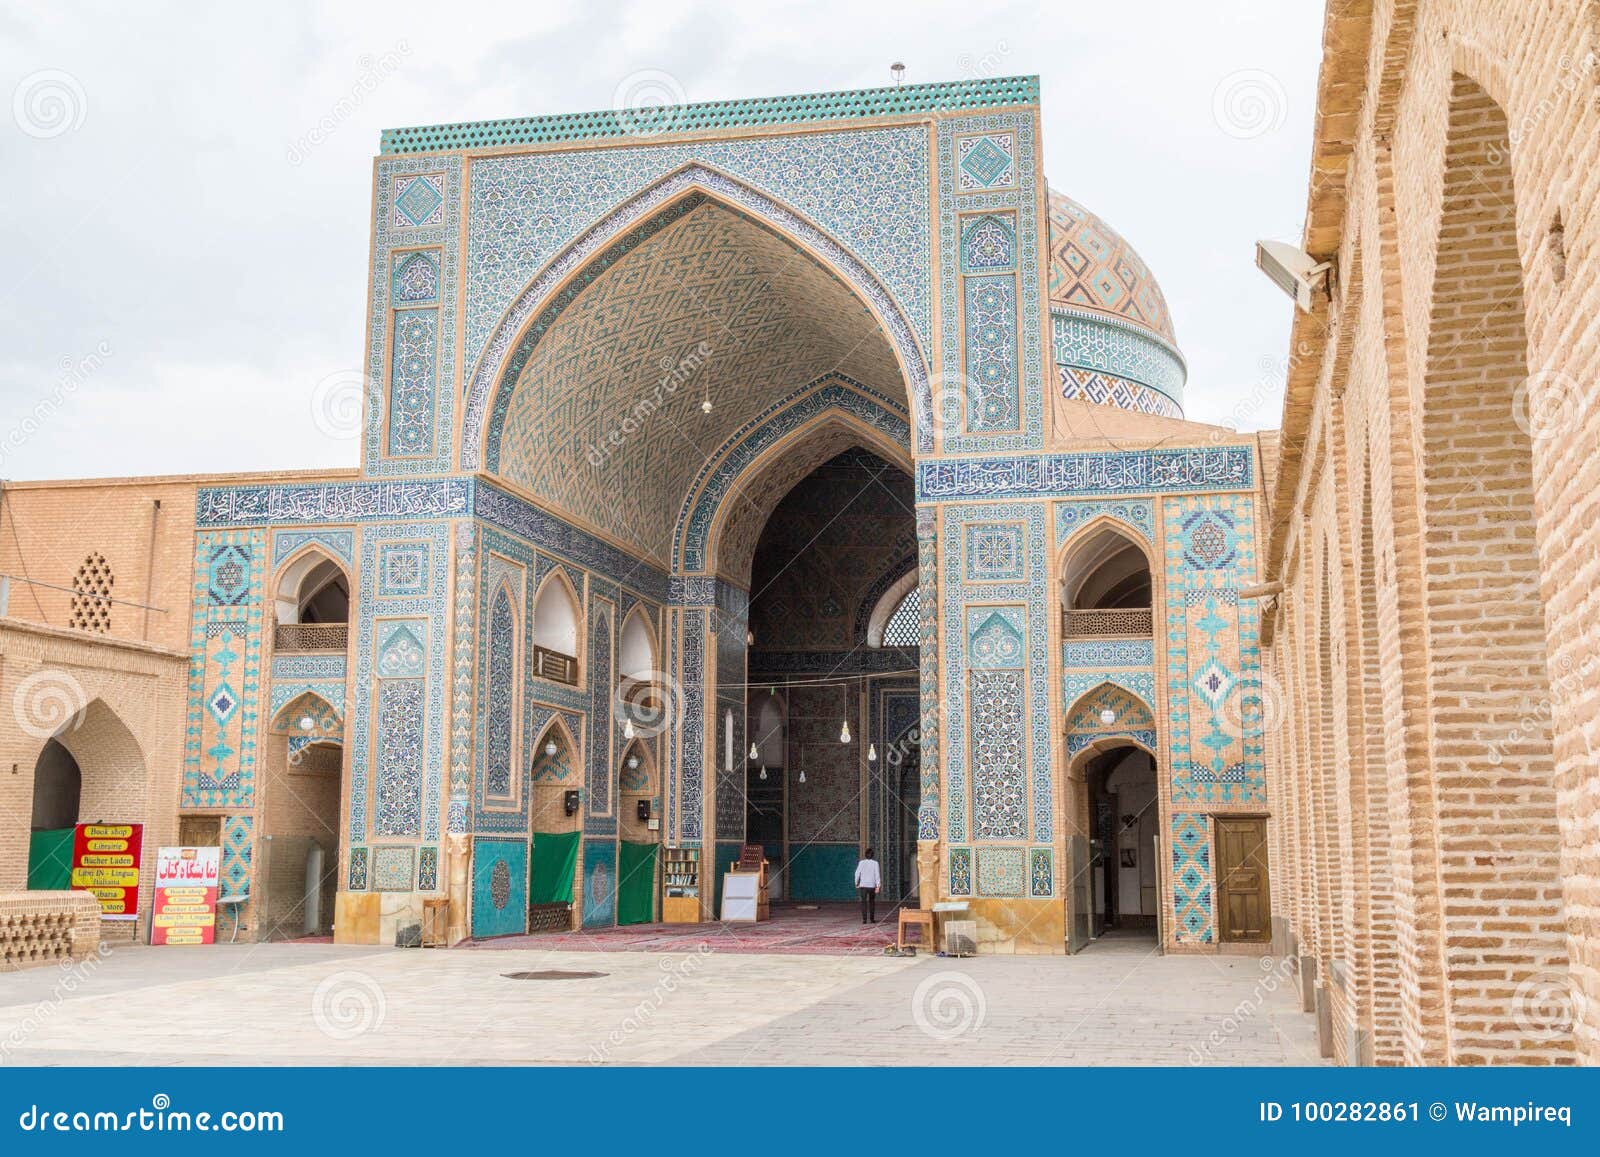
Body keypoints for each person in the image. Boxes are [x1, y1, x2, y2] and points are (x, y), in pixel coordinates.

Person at [855, 847, 882, 924]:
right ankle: (872, 919)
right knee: (872, 902)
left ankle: (864, 920)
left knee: (863, 902)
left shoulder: (861, 863)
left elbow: (857, 873)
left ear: (865, 855)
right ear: (872, 855)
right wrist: (878, 886)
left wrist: (856, 883)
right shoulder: (875, 863)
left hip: (863, 886)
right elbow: (877, 875)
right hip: (872, 886)